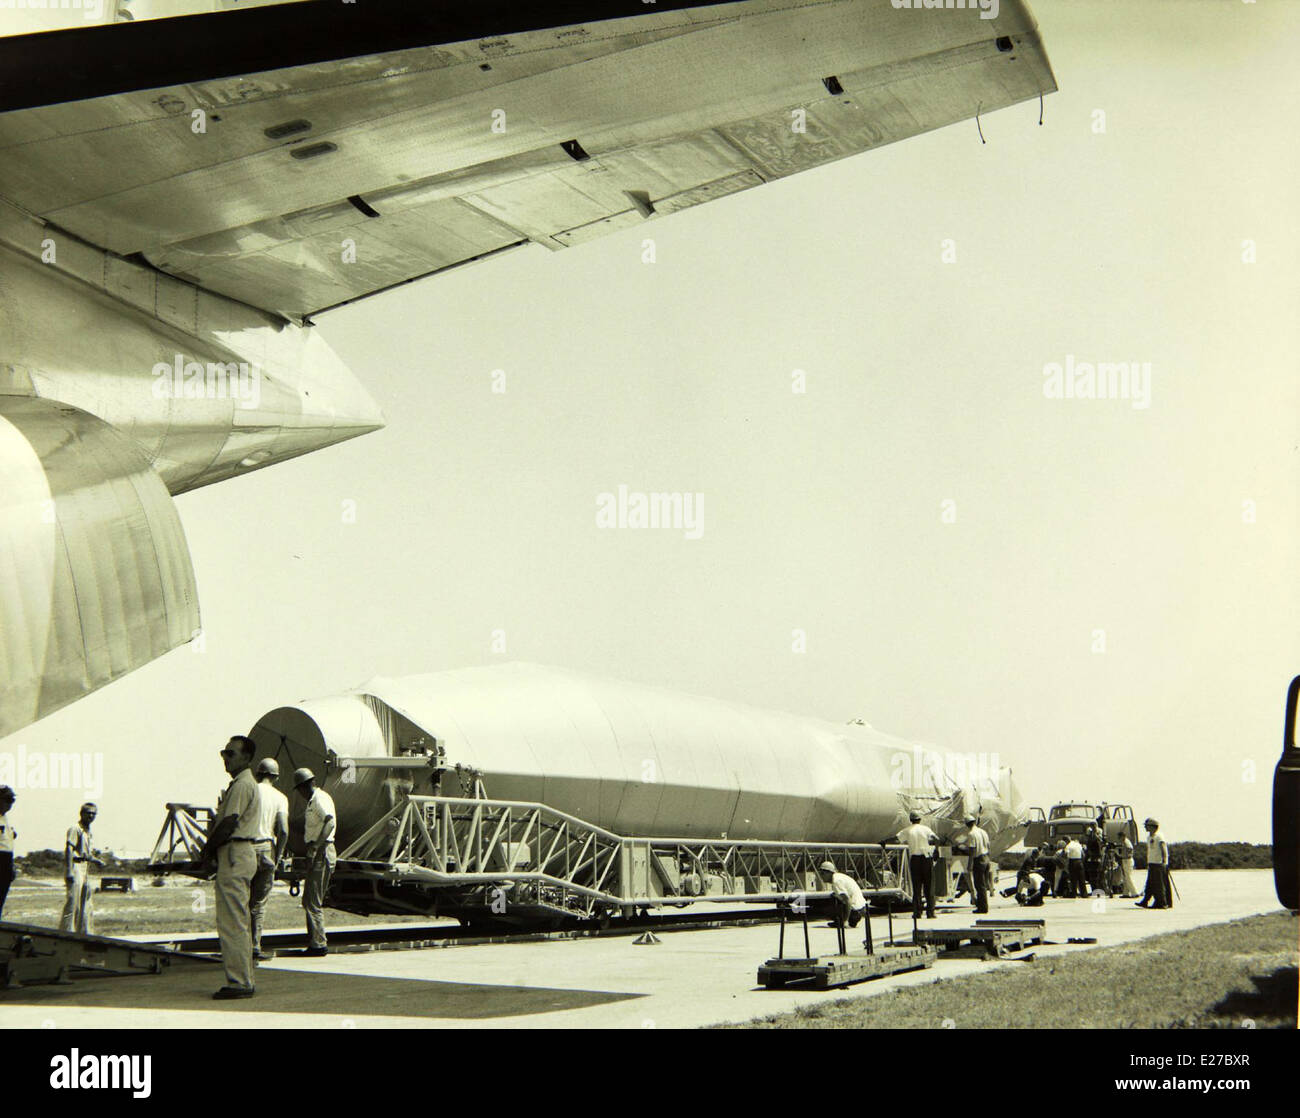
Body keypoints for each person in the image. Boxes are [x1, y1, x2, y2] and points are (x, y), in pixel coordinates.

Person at [197, 735, 266, 999]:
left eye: (231, 753)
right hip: (240, 852)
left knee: (232, 922)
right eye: (224, 753)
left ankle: (239, 983)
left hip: (235, 852)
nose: (226, 758)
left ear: (247, 758)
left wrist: (207, 850)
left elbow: (228, 823)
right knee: (239, 920)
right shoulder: (242, 784)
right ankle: (244, 978)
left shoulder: (241, 785)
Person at [249, 758, 290, 962]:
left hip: (245, 849)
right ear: (276, 777)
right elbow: (283, 830)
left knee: (240, 901)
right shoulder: (280, 797)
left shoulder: (249, 791)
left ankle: (239, 947)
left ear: (257, 774)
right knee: (258, 903)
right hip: (267, 849)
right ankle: (255, 946)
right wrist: (279, 855)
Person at [293, 768, 336, 957]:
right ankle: (315, 942)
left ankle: (319, 944)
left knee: (313, 901)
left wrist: (315, 847)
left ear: (307, 785)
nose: (300, 793)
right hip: (319, 851)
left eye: (301, 788)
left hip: (322, 851)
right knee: (308, 900)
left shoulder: (320, 799)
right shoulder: (314, 800)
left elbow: (330, 823)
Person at [60, 802, 105, 933]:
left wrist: (97, 861)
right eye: (88, 813)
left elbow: (87, 854)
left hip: (85, 867)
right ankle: (67, 931)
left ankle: (84, 932)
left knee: (85, 903)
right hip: (76, 866)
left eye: (93, 813)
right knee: (73, 902)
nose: (91, 816)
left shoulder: (87, 832)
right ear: (82, 814)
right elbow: (69, 849)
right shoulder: (75, 829)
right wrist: (69, 870)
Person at [818, 860, 872, 950]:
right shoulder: (839, 877)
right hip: (860, 908)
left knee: (826, 909)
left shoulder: (836, 881)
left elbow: (848, 901)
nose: (821, 876)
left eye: (823, 873)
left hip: (855, 910)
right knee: (833, 898)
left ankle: (845, 921)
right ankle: (847, 920)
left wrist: (845, 921)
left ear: (829, 873)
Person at [897, 810, 939, 919]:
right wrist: (936, 850)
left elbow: (896, 839)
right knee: (929, 886)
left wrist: (884, 842)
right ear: (920, 819)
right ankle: (931, 912)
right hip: (926, 858)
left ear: (910, 820)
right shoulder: (925, 829)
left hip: (915, 859)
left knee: (916, 887)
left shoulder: (907, 830)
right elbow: (936, 839)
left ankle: (917, 912)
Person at [955, 814, 991, 913]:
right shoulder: (983, 832)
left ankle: (982, 908)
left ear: (967, 824)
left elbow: (973, 850)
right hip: (986, 858)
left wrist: (970, 864)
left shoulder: (971, 834)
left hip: (978, 860)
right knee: (983, 885)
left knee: (979, 885)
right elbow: (988, 846)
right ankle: (983, 905)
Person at [1136, 818, 1171, 909]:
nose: (1145, 828)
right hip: (1152, 863)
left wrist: (1164, 860)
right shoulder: (1149, 837)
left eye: (1147, 826)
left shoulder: (1159, 836)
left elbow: (1163, 848)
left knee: (1159, 885)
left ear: (1152, 826)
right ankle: (1145, 901)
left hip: (1158, 863)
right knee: (1150, 884)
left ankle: (1162, 903)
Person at [0, 786, 15, 920]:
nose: (10, 804)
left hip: (6, 859)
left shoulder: (5, 819)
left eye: (12, 800)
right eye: (8, 800)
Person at [1117, 831, 1139, 897]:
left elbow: (1129, 852)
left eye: (1119, 837)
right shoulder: (1124, 842)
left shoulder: (1126, 843)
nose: (1119, 838)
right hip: (1125, 860)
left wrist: (1119, 855)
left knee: (1128, 877)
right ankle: (1125, 893)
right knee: (1125, 877)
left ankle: (1134, 892)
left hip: (1127, 860)